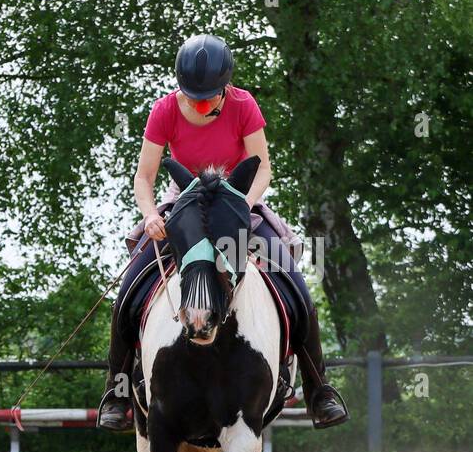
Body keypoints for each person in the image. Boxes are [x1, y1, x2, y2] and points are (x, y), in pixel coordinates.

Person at [97, 34, 349, 431]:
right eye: (192, 96)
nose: (199, 103)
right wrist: (149, 215)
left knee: (294, 281)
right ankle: (118, 392)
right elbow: (144, 177)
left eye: (208, 97)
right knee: (130, 286)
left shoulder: (243, 104)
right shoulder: (164, 110)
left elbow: (262, 167)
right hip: (185, 202)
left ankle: (320, 389)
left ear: (225, 86)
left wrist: (242, 206)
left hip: (237, 198)